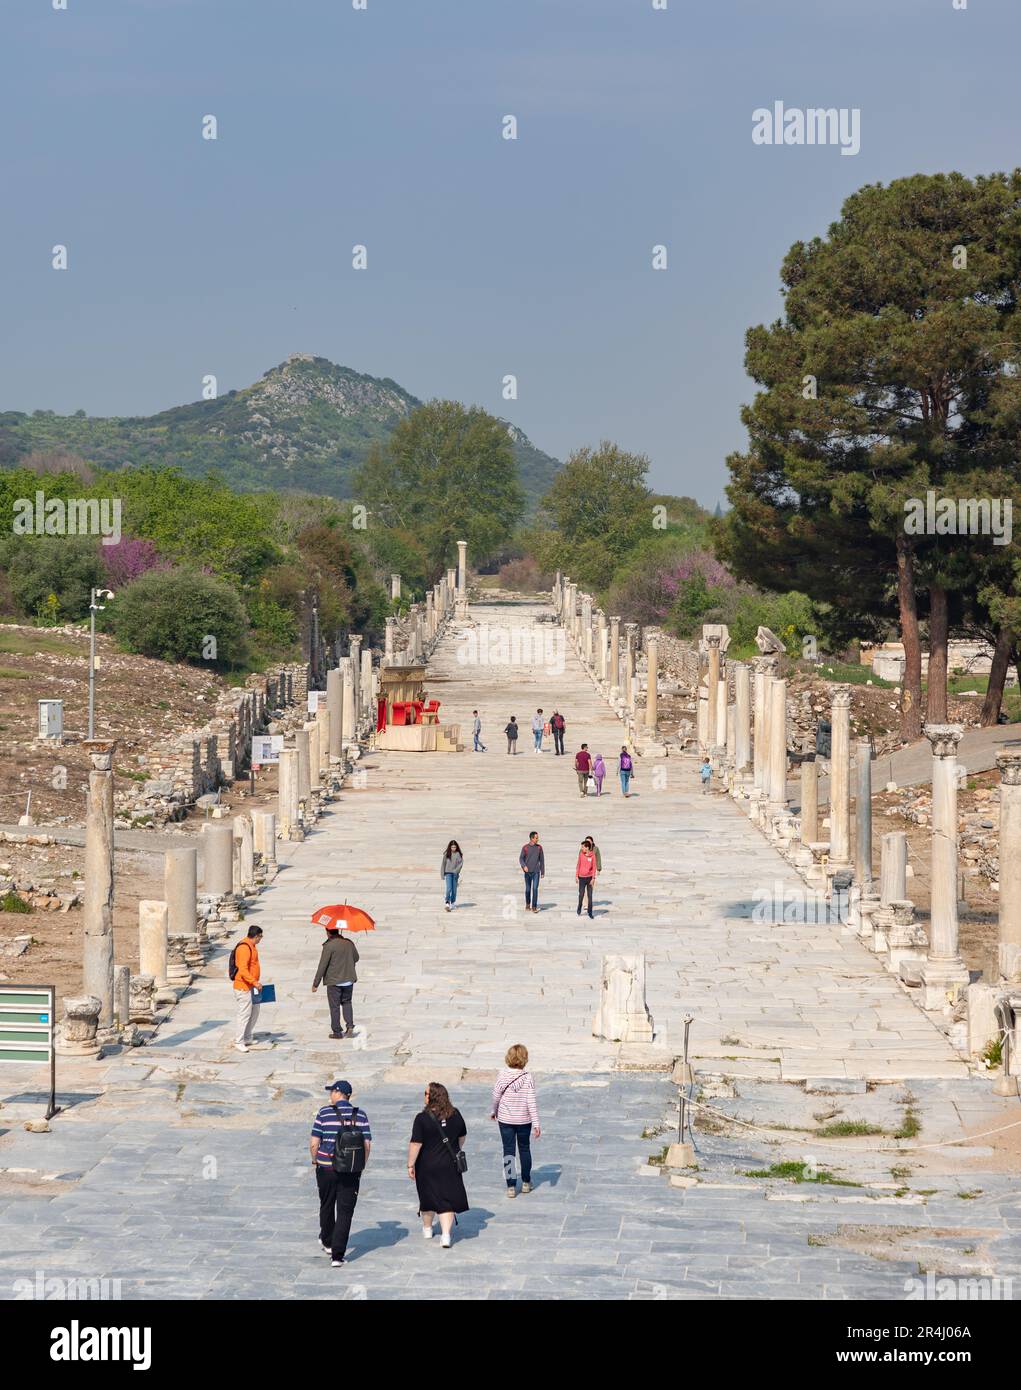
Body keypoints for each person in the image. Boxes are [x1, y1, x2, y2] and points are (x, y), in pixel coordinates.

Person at [310, 1079, 372, 1266]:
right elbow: (367, 1145)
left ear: (338, 1093)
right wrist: (360, 1165)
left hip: (326, 1167)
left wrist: (315, 1159)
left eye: (332, 1092)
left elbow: (314, 1142)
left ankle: (327, 1242)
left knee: (327, 1204)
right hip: (350, 1170)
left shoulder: (324, 1112)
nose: (330, 1095)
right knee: (345, 1212)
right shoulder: (360, 1115)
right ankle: (337, 1256)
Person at [408, 1082, 468, 1248]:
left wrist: (410, 1165)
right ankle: (446, 1235)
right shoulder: (455, 1114)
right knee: (447, 1199)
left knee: (427, 1196)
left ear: (432, 1096)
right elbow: (462, 1136)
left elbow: (416, 1144)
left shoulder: (422, 1118)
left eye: (426, 1093)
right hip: (449, 1164)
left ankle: (427, 1229)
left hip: (426, 1166)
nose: (424, 1096)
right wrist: (456, 1149)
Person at [490, 1043, 541, 1198]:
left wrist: (494, 1110)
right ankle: (526, 1182)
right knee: (525, 1149)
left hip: (505, 1119)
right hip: (524, 1120)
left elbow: (496, 1095)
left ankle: (511, 1186)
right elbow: (531, 1101)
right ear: (525, 1058)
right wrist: (536, 1123)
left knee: (509, 1151)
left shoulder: (502, 1075)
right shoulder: (527, 1077)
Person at [312, 923, 359, 1039]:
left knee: (335, 1006)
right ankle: (350, 1025)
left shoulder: (329, 946)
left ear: (327, 932)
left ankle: (337, 1032)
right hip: (348, 980)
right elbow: (356, 957)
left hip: (334, 982)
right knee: (347, 1002)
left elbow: (322, 965)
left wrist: (315, 983)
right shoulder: (349, 943)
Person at [231, 925, 263, 1052]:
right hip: (243, 986)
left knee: (255, 1011)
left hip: (251, 986)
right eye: (261, 937)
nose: (261, 939)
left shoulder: (252, 946)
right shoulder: (244, 947)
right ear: (256, 936)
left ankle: (247, 1037)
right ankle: (239, 1041)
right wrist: (254, 982)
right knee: (244, 1014)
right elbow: (243, 969)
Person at [519, 831, 545, 913]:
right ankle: (527, 904)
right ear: (532, 838)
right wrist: (524, 866)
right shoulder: (525, 847)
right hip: (527, 872)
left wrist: (542, 871)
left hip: (536, 872)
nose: (538, 839)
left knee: (535, 889)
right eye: (536, 838)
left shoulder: (539, 848)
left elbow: (542, 860)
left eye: (537, 837)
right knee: (528, 889)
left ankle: (534, 906)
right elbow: (521, 858)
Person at [576, 837, 597, 918]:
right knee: (581, 894)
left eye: (583, 847)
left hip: (589, 878)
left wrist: (593, 878)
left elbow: (594, 867)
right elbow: (578, 865)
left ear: (587, 847)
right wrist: (576, 876)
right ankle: (579, 906)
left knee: (590, 896)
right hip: (581, 878)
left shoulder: (592, 856)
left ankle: (590, 912)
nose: (581, 848)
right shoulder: (581, 854)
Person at [441, 839, 463, 911]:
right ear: (450, 847)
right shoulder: (446, 854)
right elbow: (443, 864)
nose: (453, 848)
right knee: (449, 888)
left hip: (455, 874)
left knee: (454, 890)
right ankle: (447, 902)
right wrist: (442, 874)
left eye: (455, 847)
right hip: (448, 873)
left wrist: (456, 870)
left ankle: (453, 902)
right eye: (452, 847)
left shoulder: (458, 854)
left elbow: (461, 863)